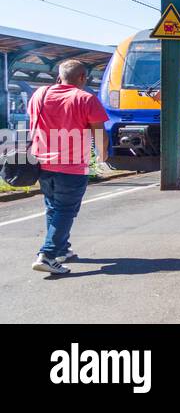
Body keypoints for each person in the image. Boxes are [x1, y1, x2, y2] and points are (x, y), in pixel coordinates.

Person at [27, 60, 109, 276]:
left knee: (54, 208)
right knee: (65, 210)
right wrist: (104, 155)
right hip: (72, 166)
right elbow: (99, 132)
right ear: (82, 77)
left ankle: (61, 249)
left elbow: (33, 121)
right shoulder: (85, 98)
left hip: (42, 164)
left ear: (59, 76)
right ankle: (48, 255)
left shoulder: (39, 94)